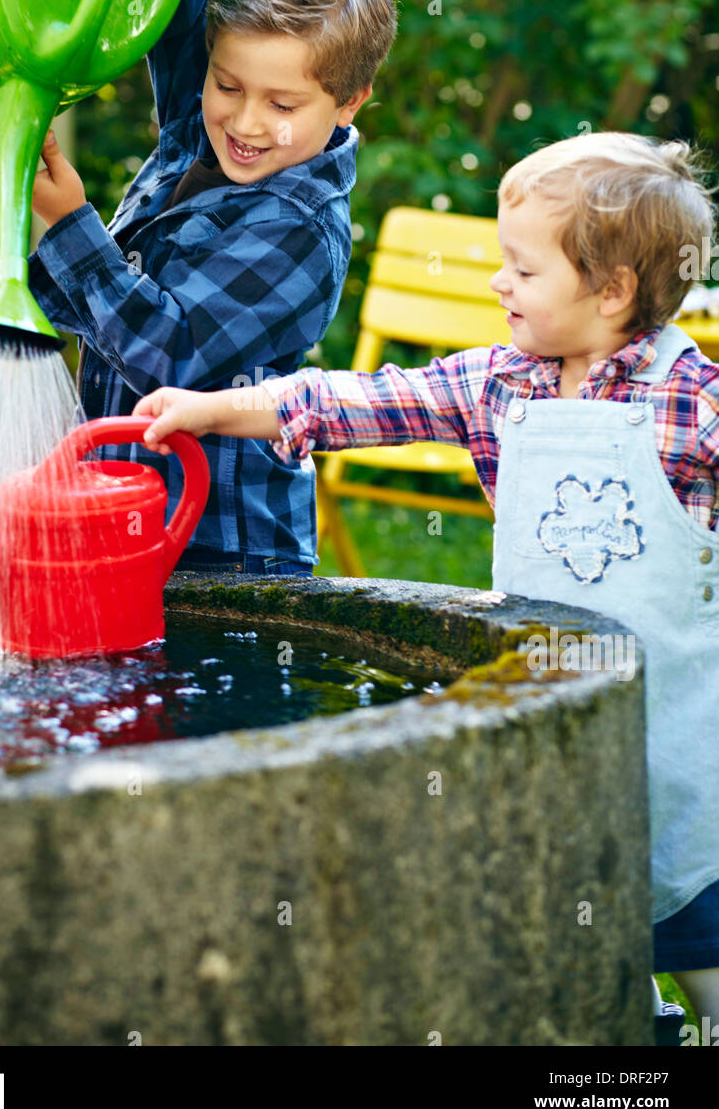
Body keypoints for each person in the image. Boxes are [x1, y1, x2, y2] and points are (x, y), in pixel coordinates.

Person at [130, 130, 719, 1041]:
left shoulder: (695, 404)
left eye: (523, 272)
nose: (498, 285)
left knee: (696, 917)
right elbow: (352, 403)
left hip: (681, 726)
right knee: (585, 919)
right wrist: (210, 409)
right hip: (553, 705)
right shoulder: (499, 383)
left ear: (611, 291)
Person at [0, 0, 398, 578]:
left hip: (223, 557)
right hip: (128, 520)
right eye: (226, 83)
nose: (243, 121)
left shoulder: (301, 229)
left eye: (282, 105)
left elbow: (168, 351)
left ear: (349, 102)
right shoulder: (196, 134)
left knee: (208, 710)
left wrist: (67, 224)